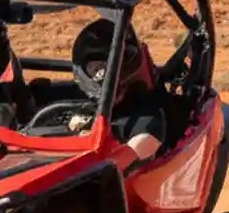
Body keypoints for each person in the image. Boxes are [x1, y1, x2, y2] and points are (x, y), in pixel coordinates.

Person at [70, 17, 166, 160]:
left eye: (108, 67)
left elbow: (143, 142)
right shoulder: (79, 101)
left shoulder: (144, 115)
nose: (103, 76)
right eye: (95, 68)